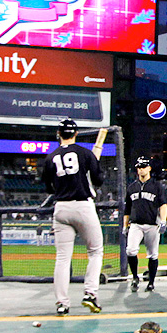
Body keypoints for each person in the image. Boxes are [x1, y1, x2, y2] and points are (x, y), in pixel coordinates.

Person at [41, 120, 104, 315]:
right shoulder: (85, 153)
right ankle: (90, 294)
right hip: (83, 206)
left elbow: (48, 188)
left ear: (59, 134)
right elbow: (99, 180)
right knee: (95, 252)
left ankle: (62, 303)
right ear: (76, 133)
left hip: (61, 207)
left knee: (62, 258)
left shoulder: (50, 157)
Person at [123, 157, 167, 292]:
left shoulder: (157, 186)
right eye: (139, 167)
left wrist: (163, 221)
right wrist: (125, 225)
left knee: (153, 254)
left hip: (153, 224)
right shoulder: (132, 187)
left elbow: (163, 204)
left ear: (149, 168)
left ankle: (151, 282)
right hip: (136, 224)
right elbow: (127, 209)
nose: (141, 169)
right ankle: (135, 277)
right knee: (130, 250)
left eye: (143, 167)